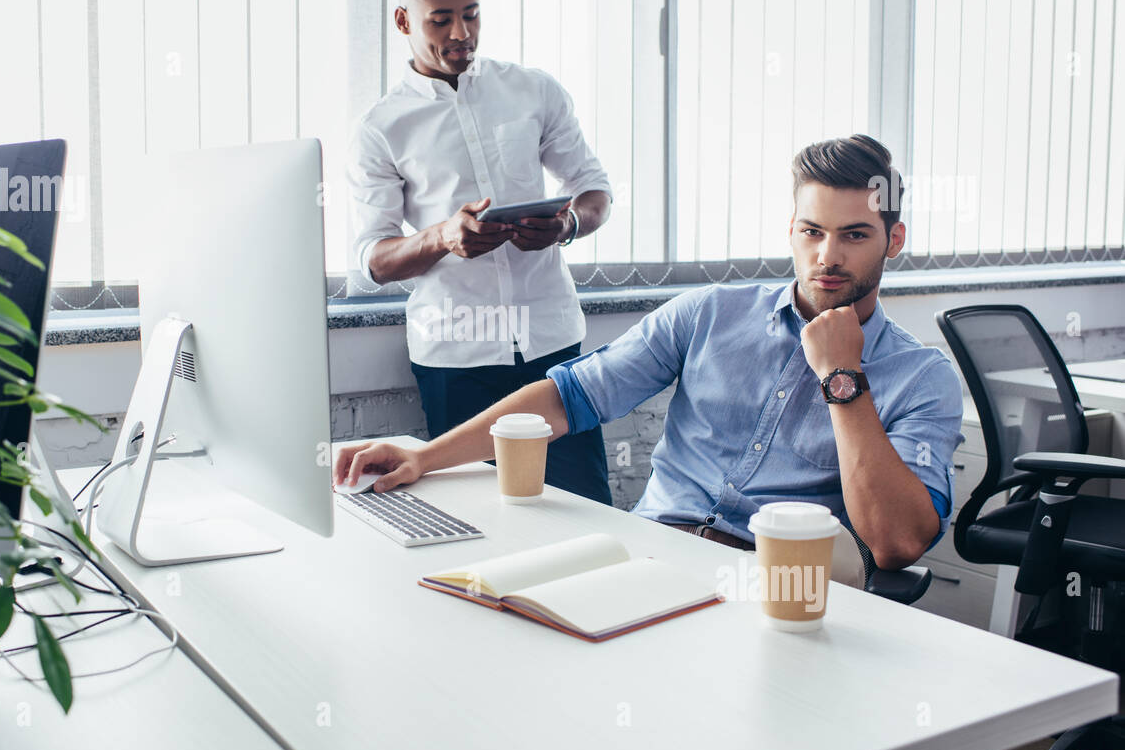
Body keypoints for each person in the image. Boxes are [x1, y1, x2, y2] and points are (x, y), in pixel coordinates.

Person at [336, 134, 965, 589]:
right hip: (648, 556)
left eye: (855, 234)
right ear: (791, 230)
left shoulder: (922, 377)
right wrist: (424, 455)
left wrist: (840, 379)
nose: (828, 256)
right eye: (812, 231)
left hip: (769, 587)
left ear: (895, 239)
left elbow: (895, 544)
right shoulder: (709, 314)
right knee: (479, 602)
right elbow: (565, 397)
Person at [347, 0, 614, 505]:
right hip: (455, 359)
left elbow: (595, 190)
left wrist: (566, 223)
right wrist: (442, 237)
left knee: (587, 509)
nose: (461, 33)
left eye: (471, 15)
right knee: (482, 524)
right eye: (440, 19)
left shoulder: (534, 91)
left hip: (552, 346)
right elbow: (372, 260)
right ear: (403, 22)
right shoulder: (380, 128)